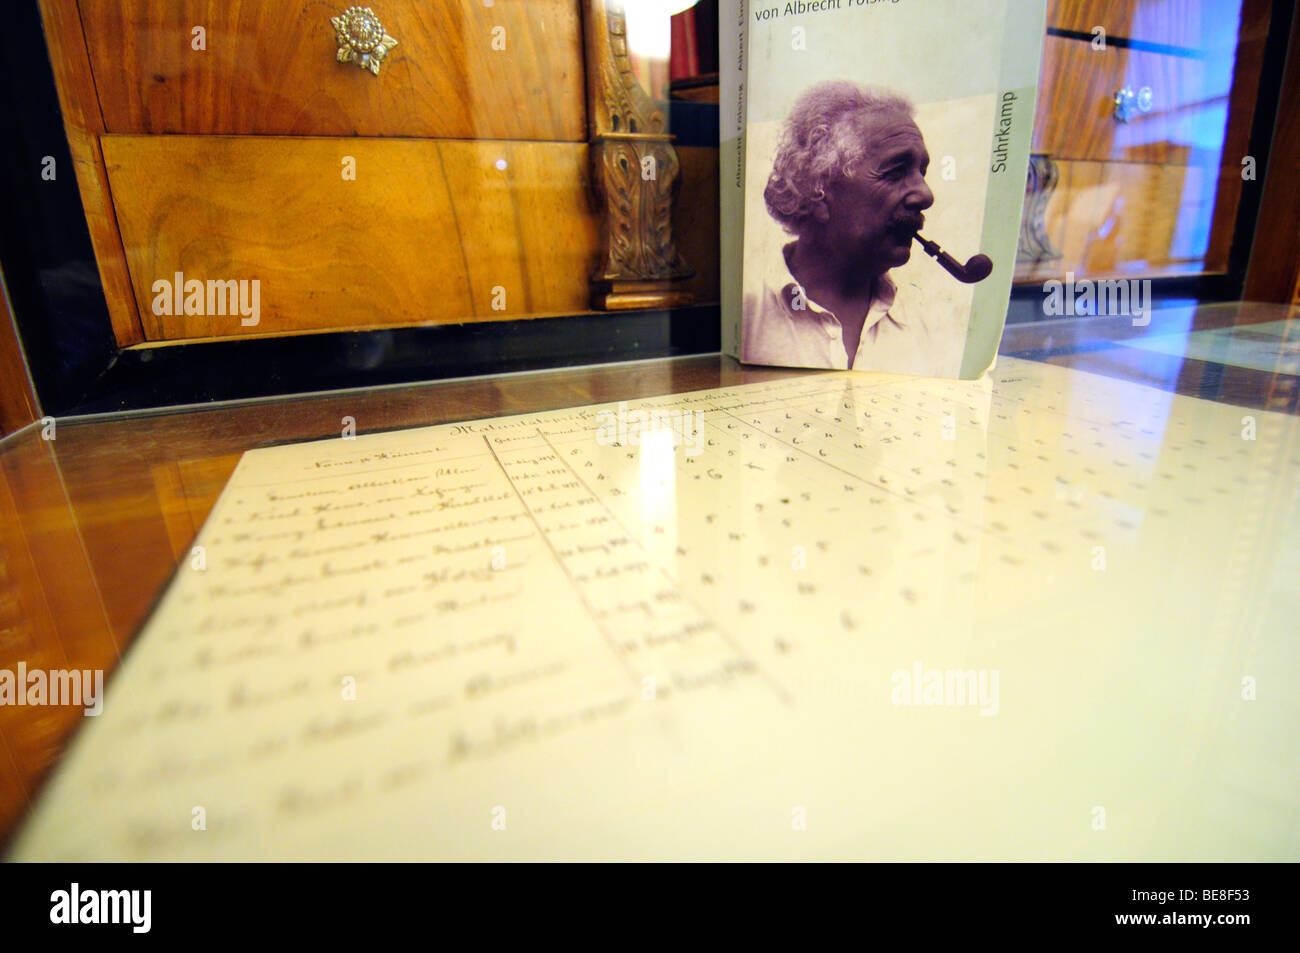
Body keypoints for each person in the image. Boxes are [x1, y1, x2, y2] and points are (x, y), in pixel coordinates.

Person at [744, 81, 937, 372]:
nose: (925, 194)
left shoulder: (927, 325)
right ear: (816, 187)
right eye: (896, 172)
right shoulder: (748, 313)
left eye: (921, 172)